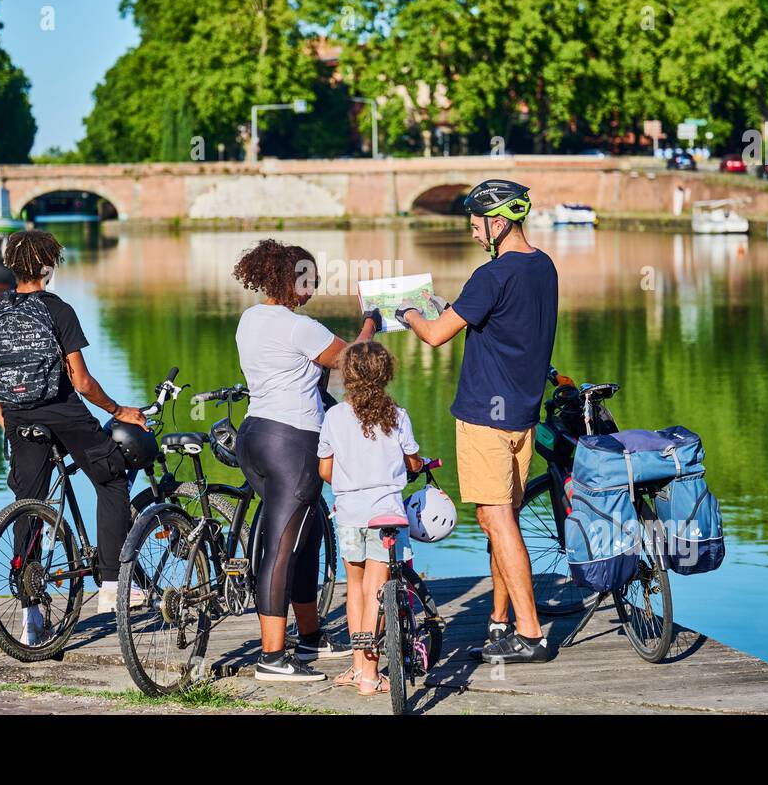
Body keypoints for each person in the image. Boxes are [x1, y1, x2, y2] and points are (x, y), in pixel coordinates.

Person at [394, 179, 557, 663]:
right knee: (499, 518)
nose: (471, 230)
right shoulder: (542, 267)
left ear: (499, 222)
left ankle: (530, 635)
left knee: (495, 517)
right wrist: (447, 306)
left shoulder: (492, 275)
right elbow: (498, 321)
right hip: (523, 415)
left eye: (476, 222)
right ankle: (500, 622)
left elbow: (437, 336)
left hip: (486, 416)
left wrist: (407, 313)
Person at [0, 229, 147, 644]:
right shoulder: (58, 310)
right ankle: (109, 584)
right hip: (64, 414)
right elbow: (81, 382)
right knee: (111, 477)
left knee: (28, 507)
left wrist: (10, 425)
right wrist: (119, 410)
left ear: (12, 267)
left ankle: (32, 616)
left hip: (18, 418)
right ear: (48, 266)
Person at [232, 239, 379, 682]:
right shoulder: (300, 327)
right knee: (280, 547)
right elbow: (355, 363)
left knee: (307, 533)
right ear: (289, 280)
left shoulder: (250, 319)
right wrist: (372, 320)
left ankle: (311, 637)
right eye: (308, 281)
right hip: (292, 441)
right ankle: (272, 658)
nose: (312, 289)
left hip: (255, 434)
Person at [317, 342, 424, 696]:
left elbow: (325, 470)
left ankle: (359, 666)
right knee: (378, 590)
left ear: (347, 375)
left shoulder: (333, 417)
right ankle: (369, 674)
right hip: (387, 515)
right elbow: (412, 462)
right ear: (386, 374)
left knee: (357, 589)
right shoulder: (399, 415)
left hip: (348, 513)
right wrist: (416, 466)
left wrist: (350, 485)